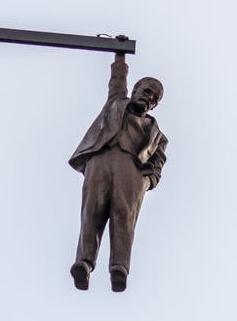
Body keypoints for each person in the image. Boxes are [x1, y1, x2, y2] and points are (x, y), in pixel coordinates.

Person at [68, 46, 168, 292]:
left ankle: (119, 268)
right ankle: (84, 262)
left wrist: (146, 181)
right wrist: (119, 54)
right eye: (147, 91)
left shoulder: (157, 135)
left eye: (155, 99)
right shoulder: (117, 102)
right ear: (135, 90)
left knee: (124, 216)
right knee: (92, 211)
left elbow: (158, 165)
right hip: (102, 160)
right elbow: (117, 79)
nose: (149, 98)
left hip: (131, 169)